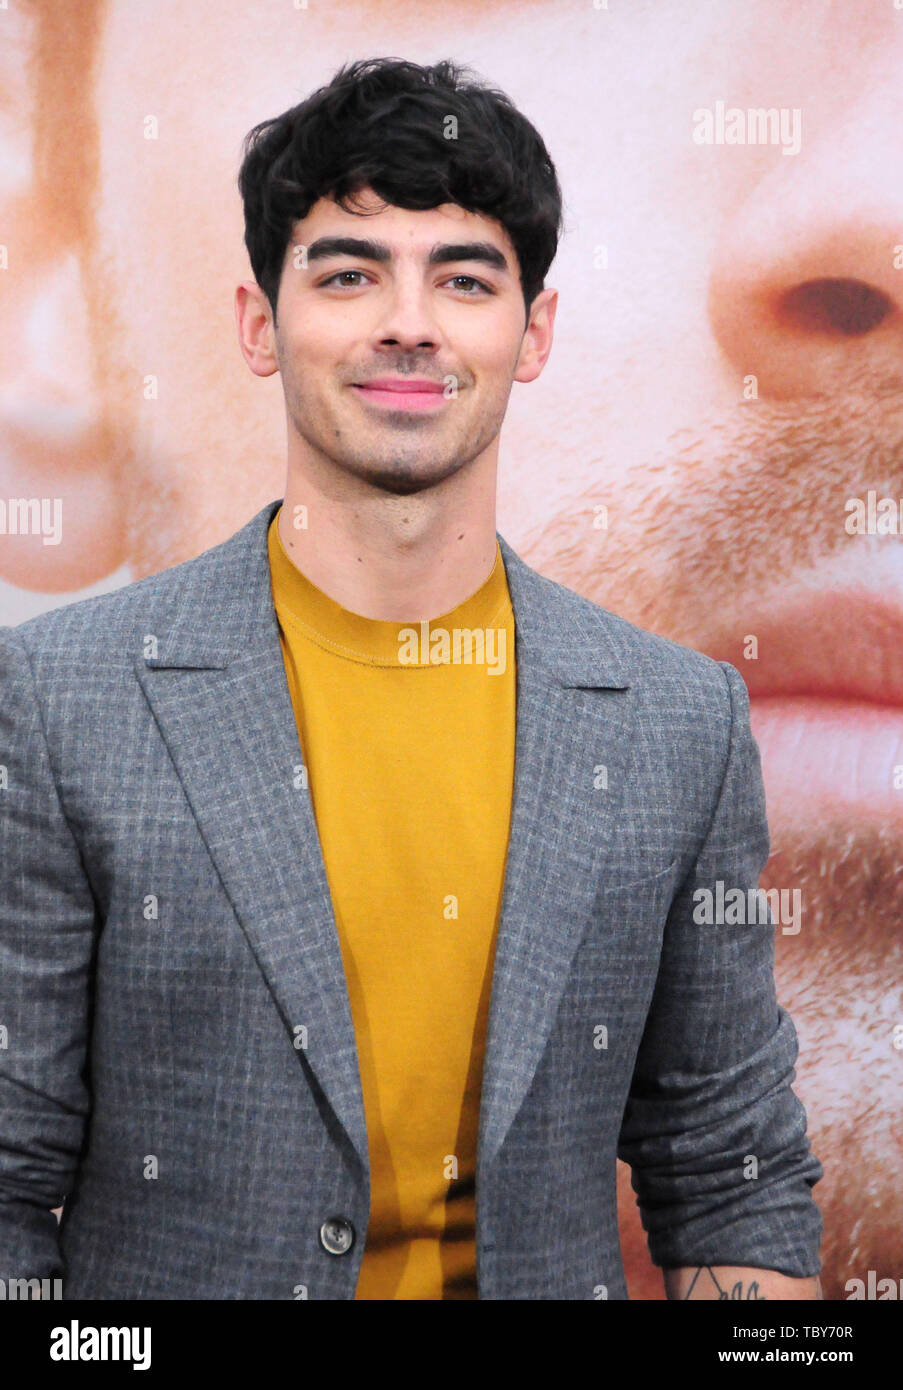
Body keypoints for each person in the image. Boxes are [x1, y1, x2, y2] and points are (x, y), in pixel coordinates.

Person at [0, 57, 823, 1300]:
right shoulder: (64, 700)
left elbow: (732, 1176)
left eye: (465, 278)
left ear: (531, 333)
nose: (408, 322)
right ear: (258, 324)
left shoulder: (678, 722)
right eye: (347, 273)